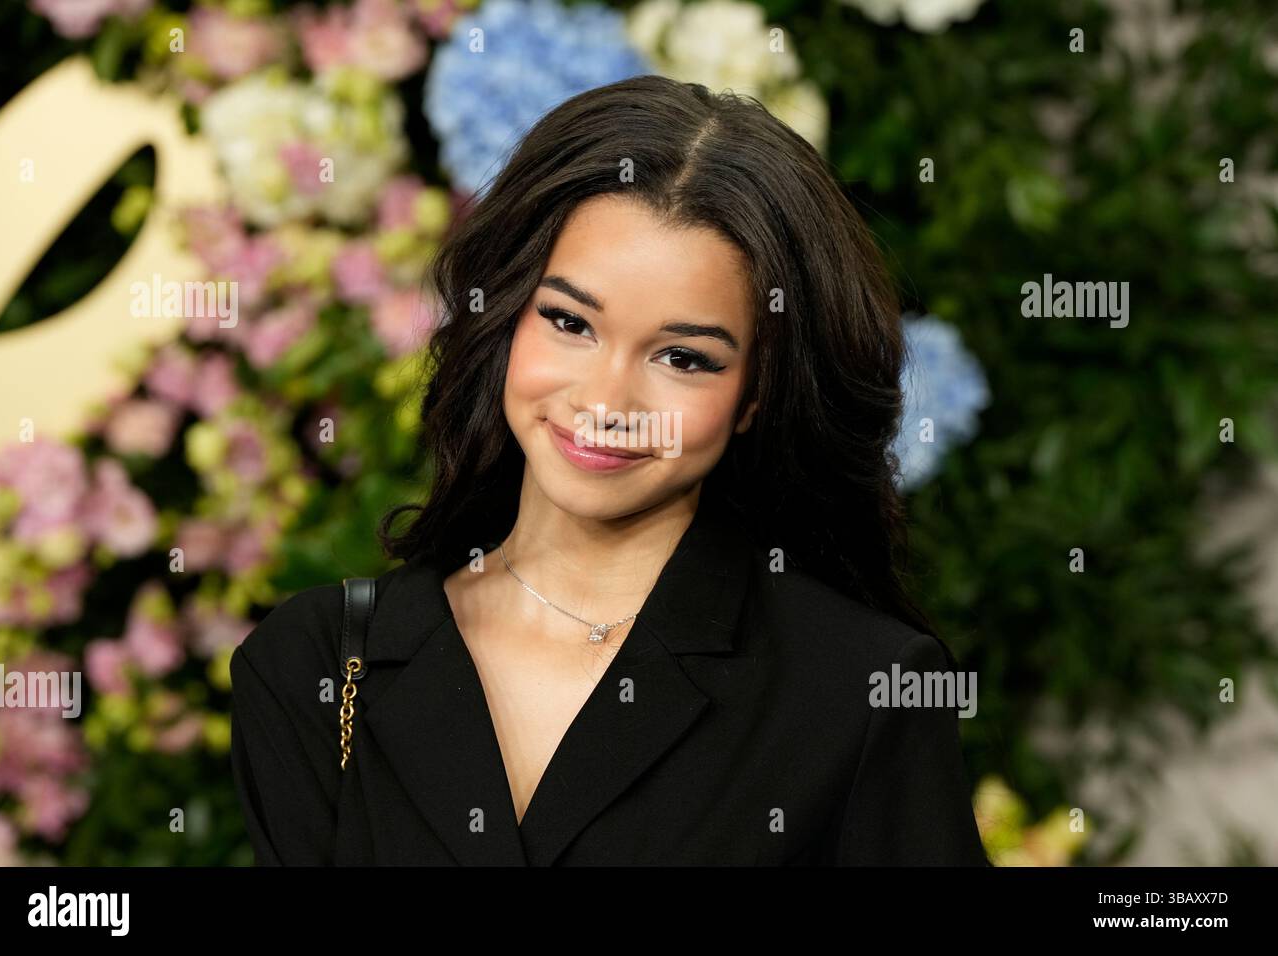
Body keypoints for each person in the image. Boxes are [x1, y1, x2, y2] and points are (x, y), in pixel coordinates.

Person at [229, 73, 990, 866]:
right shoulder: (316, 663)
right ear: (507, 317)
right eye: (569, 321)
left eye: (683, 357)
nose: (607, 398)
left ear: (757, 394)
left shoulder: (859, 690)